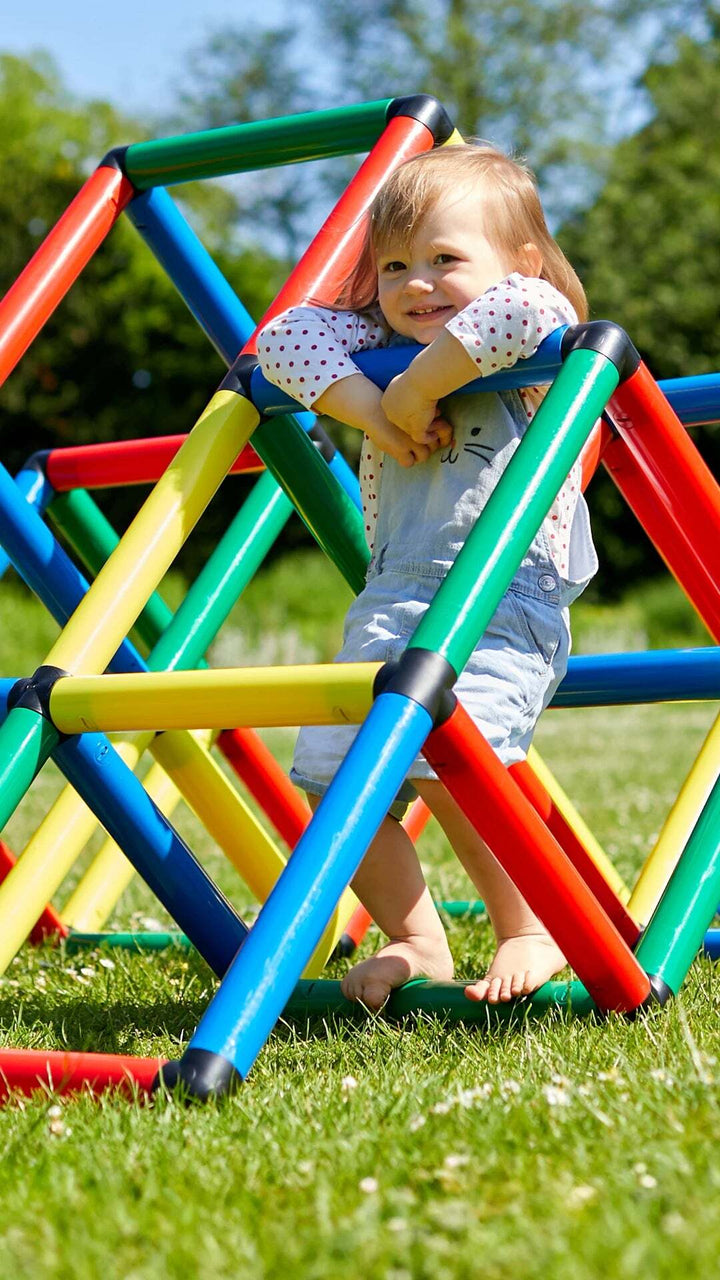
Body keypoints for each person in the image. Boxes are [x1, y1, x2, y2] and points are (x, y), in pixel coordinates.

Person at [257, 143, 597, 1009]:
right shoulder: (378, 348)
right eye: (395, 266)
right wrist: (376, 407)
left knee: (456, 762)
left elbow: (533, 306)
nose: (417, 284)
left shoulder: (537, 342)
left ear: (519, 260)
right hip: (391, 601)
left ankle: (529, 926)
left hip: (502, 597)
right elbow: (282, 341)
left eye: (446, 258)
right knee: (336, 779)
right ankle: (417, 940)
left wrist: (419, 388)